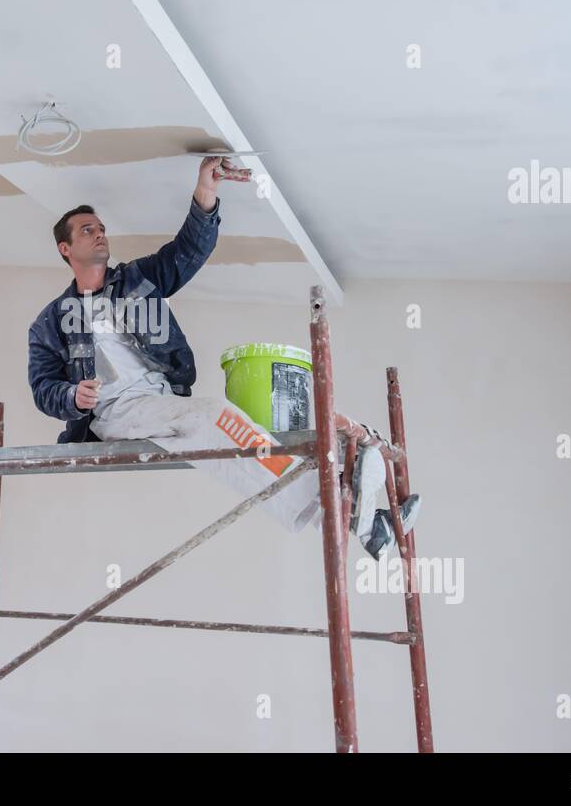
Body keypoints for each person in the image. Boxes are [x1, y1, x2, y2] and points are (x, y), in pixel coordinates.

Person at [26, 157, 415, 555]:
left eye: (102, 228)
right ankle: (341, 505)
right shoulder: (51, 322)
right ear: (65, 248)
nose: (99, 235)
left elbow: (187, 251)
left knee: (226, 449)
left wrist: (205, 193)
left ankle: (351, 519)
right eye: (87, 230)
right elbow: (43, 388)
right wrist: (72, 397)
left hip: (159, 401)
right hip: (115, 411)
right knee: (215, 415)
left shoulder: (137, 280)